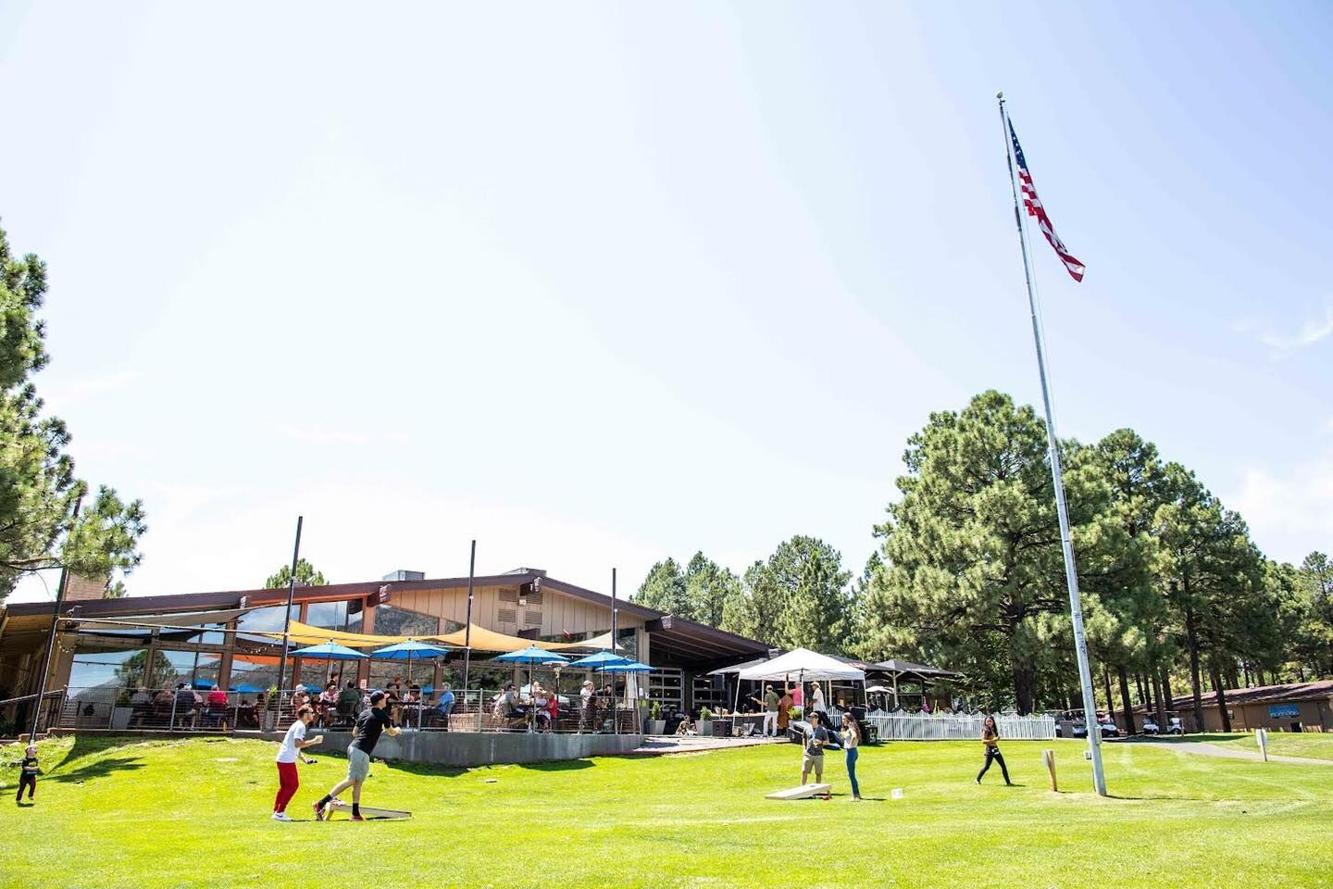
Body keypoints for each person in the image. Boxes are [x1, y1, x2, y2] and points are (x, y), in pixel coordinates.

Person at [313, 690, 401, 822]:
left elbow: (355, 733)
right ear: (380, 701)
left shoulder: (364, 713)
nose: (386, 701)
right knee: (351, 780)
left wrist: (374, 729)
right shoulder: (382, 715)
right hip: (360, 750)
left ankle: (355, 814)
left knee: (358, 782)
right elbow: (392, 732)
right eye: (385, 699)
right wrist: (398, 730)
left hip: (355, 748)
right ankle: (320, 803)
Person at [272, 705, 322, 821]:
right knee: (293, 786)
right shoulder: (300, 726)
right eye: (311, 712)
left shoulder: (298, 725)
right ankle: (280, 812)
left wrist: (305, 759)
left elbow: (295, 748)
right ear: (305, 714)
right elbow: (297, 744)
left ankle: (276, 811)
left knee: (285, 787)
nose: (313, 714)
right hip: (287, 760)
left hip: (283, 759)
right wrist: (314, 741)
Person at [976, 715, 1013, 786]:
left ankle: (1008, 783)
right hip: (990, 750)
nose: (989, 723)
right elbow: (983, 741)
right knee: (987, 767)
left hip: (996, 749)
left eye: (990, 721)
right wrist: (994, 740)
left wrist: (997, 739)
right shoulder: (986, 730)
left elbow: (993, 740)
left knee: (1003, 766)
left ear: (993, 722)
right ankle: (977, 779)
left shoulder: (992, 729)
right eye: (987, 721)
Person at [802, 711, 830, 786]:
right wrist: (804, 748)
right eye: (810, 717)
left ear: (817, 719)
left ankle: (817, 789)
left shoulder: (823, 730)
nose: (810, 719)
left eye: (812, 718)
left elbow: (827, 742)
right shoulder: (806, 729)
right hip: (808, 753)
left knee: (818, 773)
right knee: (804, 771)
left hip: (818, 754)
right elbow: (804, 738)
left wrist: (820, 742)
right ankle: (802, 787)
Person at [840, 712, 863, 801]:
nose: (842, 721)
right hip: (854, 751)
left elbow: (854, 736)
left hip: (850, 752)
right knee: (851, 774)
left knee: (851, 775)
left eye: (843, 719)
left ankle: (855, 796)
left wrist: (849, 745)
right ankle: (857, 794)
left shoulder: (851, 727)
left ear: (848, 719)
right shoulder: (852, 726)